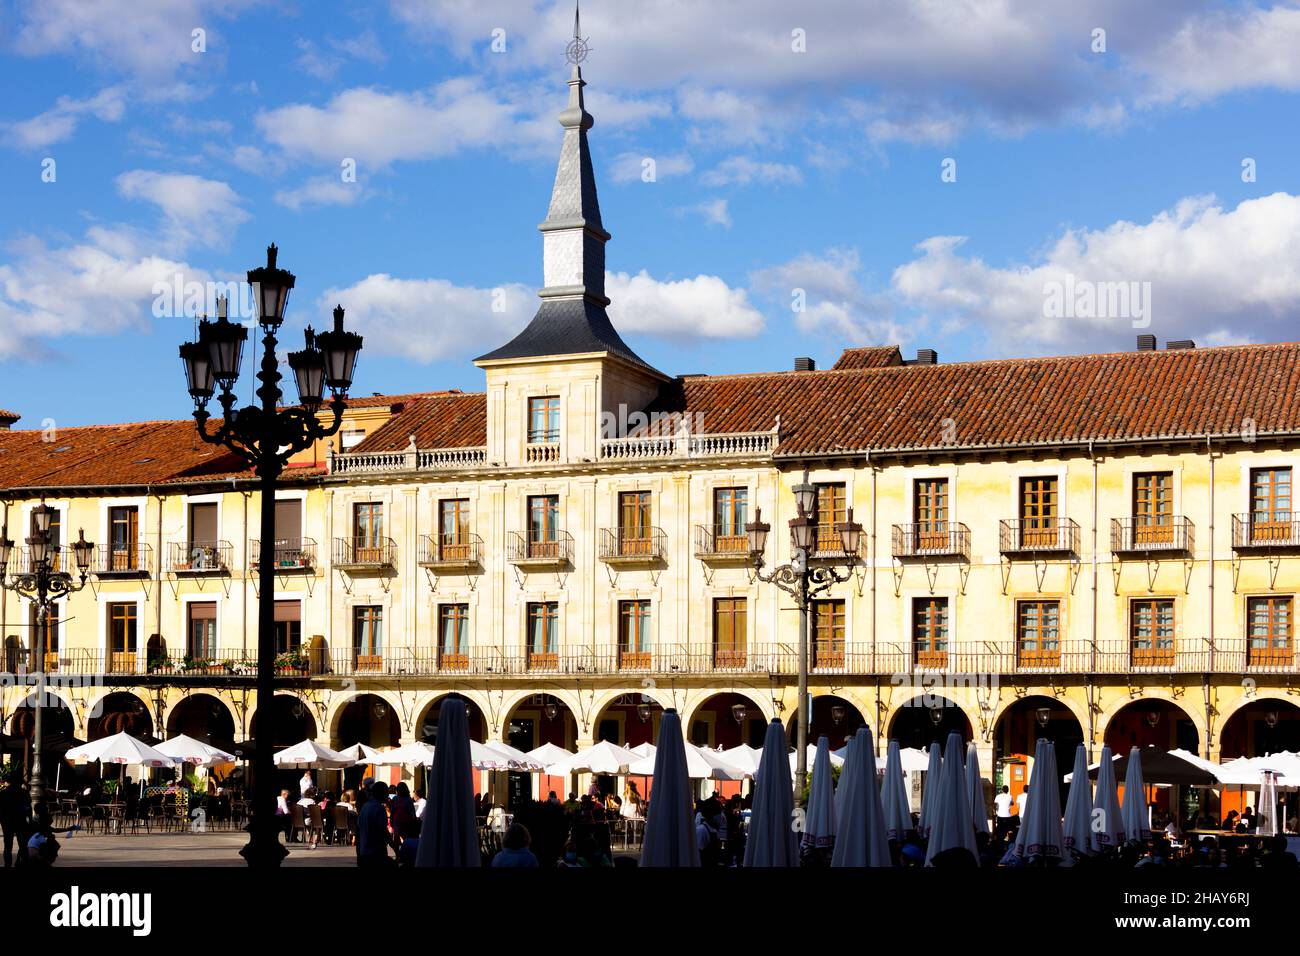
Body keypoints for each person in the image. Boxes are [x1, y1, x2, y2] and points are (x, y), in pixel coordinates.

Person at [357, 781, 392, 866]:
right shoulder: (379, 808)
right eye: (386, 793)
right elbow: (383, 831)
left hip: (364, 852)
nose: (388, 796)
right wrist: (395, 848)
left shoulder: (365, 807)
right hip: (375, 853)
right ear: (381, 793)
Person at [0, 778, 28, 869]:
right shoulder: (23, 793)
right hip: (20, 821)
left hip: (7, 822)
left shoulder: (3, 793)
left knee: (8, 846)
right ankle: (20, 863)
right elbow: (28, 808)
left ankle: (7, 864)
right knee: (23, 845)